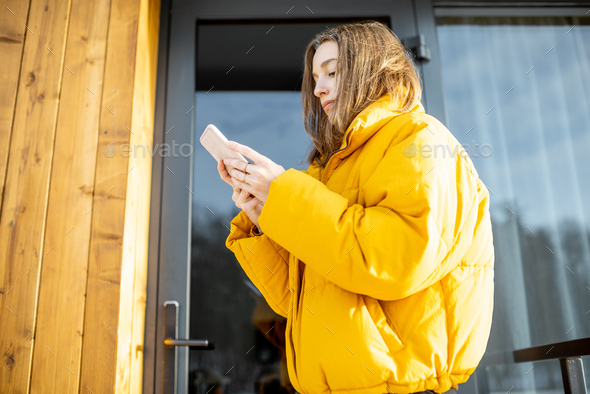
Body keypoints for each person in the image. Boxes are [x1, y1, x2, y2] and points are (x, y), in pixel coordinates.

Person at [218, 21, 494, 394]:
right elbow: (296, 298)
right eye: (315, 77)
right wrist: (265, 217)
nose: (318, 88)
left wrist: (284, 195)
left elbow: (395, 260)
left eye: (332, 71)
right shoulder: (330, 169)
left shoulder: (420, 139)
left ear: (372, 68)